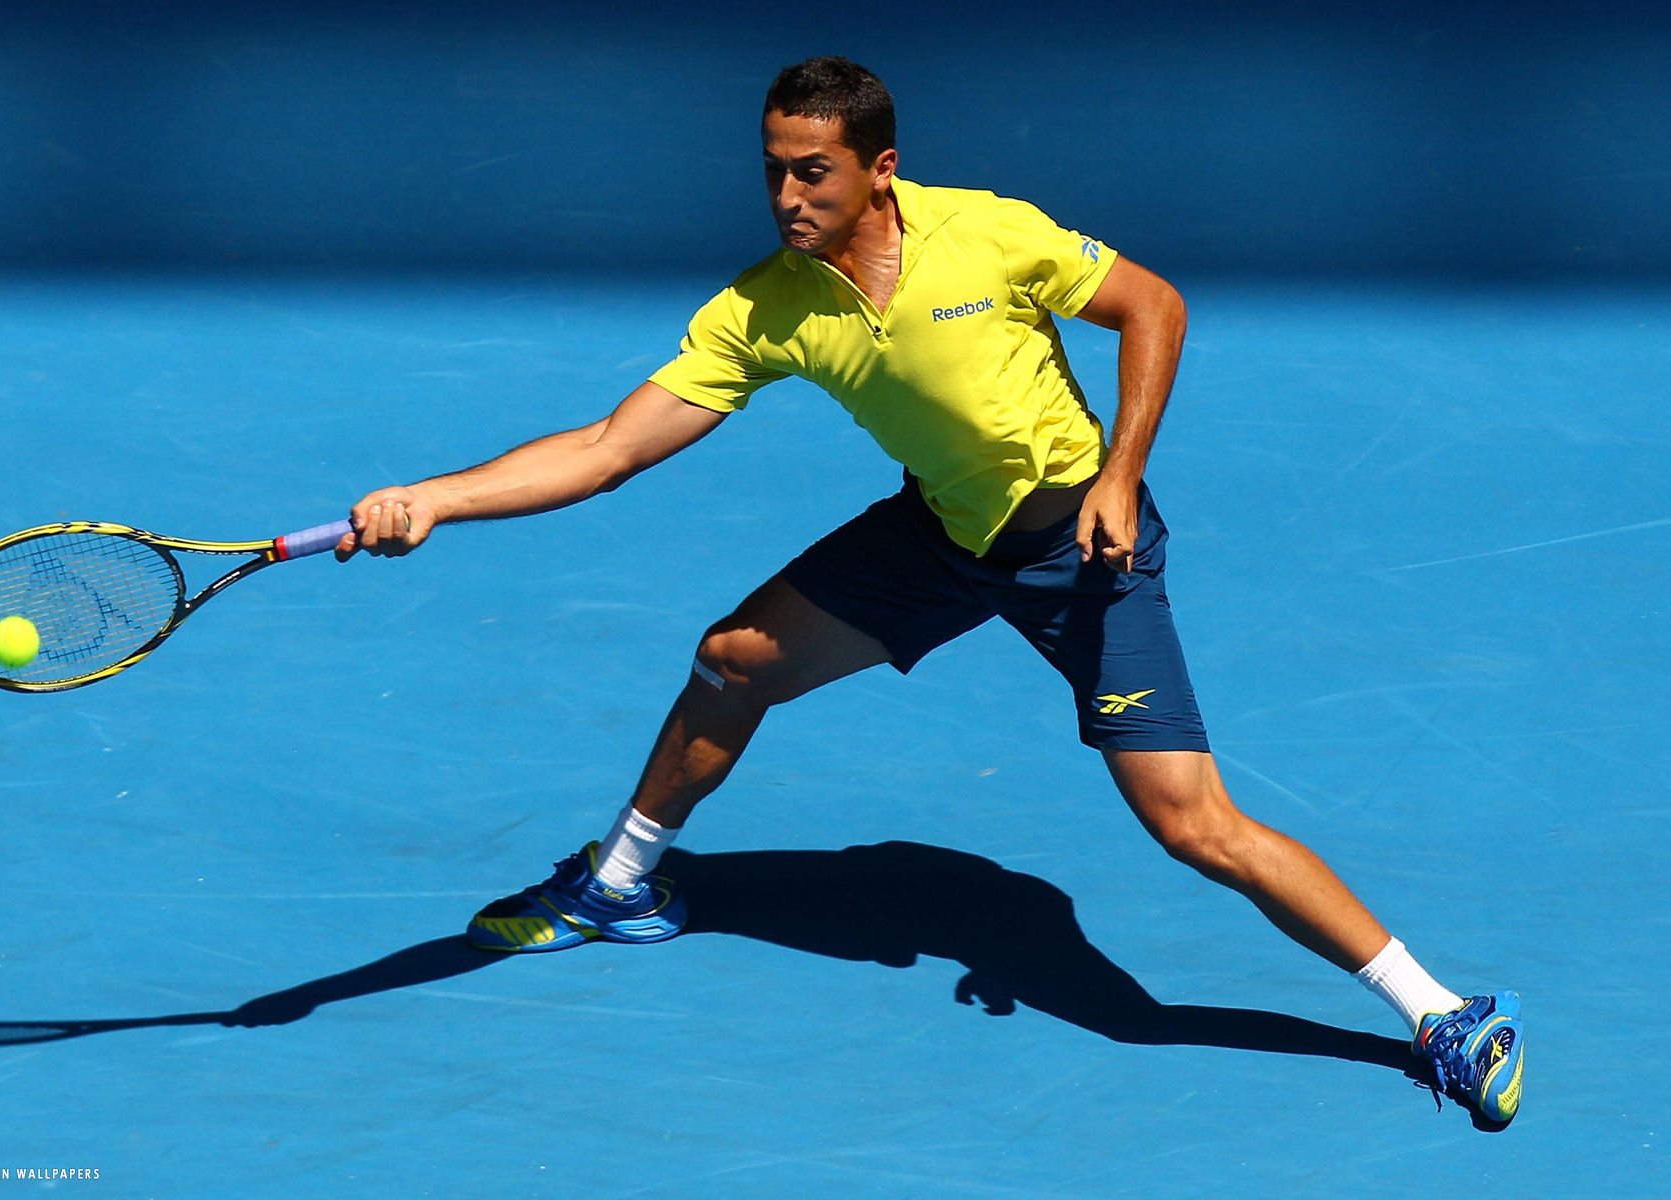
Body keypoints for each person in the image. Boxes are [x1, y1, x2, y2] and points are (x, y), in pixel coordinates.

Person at [335, 56, 1521, 1124]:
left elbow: (1152, 304)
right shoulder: (768, 305)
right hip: (942, 536)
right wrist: (435, 498)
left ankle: (1445, 1014)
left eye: (813, 172)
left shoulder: (986, 234)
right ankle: (619, 883)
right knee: (732, 659)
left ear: (880, 169)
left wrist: (1121, 473)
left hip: (1085, 556)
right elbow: (608, 448)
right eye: (772, 171)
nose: (787, 196)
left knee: (1192, 828)